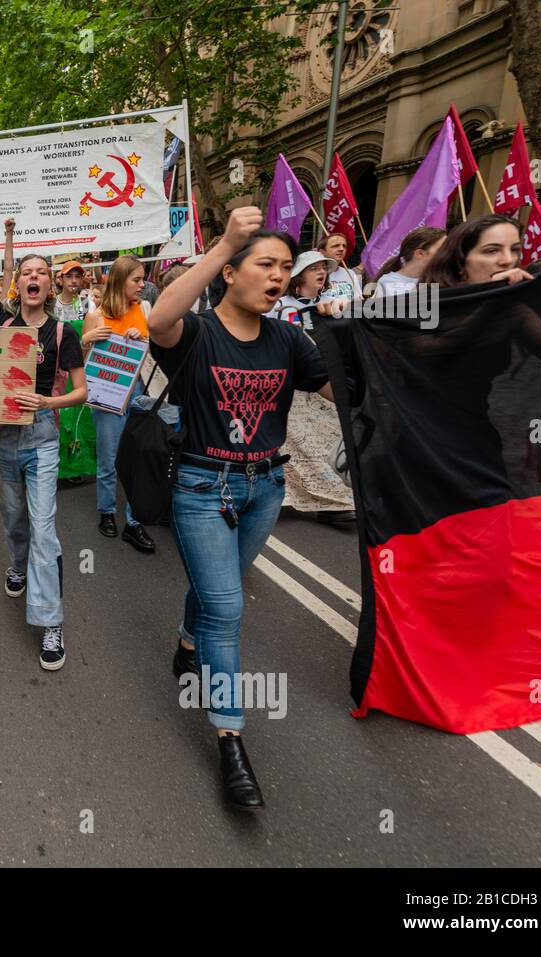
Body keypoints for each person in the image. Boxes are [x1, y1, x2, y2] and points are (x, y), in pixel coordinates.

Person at [148, 207, 335, 811]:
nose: (280, 276)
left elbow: (342, 386)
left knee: (212, 591)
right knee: (226, 608)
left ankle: (184, 641)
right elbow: (159, 316)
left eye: (287, 267)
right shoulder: (197, 335)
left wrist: (342, 333)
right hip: (203, 487)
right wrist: (225, 239)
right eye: (265, 264)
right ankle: (231, 738)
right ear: (229, 272)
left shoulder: (288, 338)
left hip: (264, 490)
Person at [0, 183, 87, 671]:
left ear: (50, 287)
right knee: (15, 523)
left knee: (46, 530)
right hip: (2, 439)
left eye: (41, 273)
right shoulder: (2, 320)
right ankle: (16, 564)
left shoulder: (63, 332)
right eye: (26, 272)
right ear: (19, 285)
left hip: (43, 439)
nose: (33, 277)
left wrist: (47, 399)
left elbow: (82, 391)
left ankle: (50, 621)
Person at [263, 251, 356, 522]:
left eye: (323, 268)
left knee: (324, 443)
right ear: (299, 275)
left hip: (322, 383)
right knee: (290, 444)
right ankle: (280, 493)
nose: (321, 272)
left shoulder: (334, 304)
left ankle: (332, 502)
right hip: (290, 385)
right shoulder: (279, 305)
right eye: (313, 268)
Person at [80, 255, 157, 553]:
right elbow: (83, 365)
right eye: (136, 280)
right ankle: (106, 511)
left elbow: (150, 357)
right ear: (119, 280)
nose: (142, 285)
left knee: (138, 460)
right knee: (109, 459)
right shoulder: (96, 315)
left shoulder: (145, 309)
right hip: (106, 393)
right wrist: (87, 340)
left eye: (143, 279)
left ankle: (134, 522)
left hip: (136, 391)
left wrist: (143, 340)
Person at [370, 226, 447, 296]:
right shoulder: (389, 284)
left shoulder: (442, 278)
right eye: (443, 249)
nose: (448, 253)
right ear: (420, 253)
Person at [316, 231, 362, 300]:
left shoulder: (350, 273)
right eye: (335, 246)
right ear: (322, 252)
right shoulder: (314, 274)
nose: (341, 249)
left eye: (344, 246)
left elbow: (358, 301)